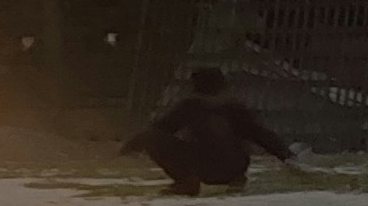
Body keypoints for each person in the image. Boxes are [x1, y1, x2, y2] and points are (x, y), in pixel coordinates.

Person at [124, 66, 295, 196]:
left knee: (150, 137)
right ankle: (194, 181)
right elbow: (261, 135)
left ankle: (186, 182)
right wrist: (287, 156)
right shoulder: (227, 107)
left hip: (215, 167)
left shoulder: (195, 107)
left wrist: (128, 150)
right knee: (152, 136)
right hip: (228, 168)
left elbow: (157, 131)